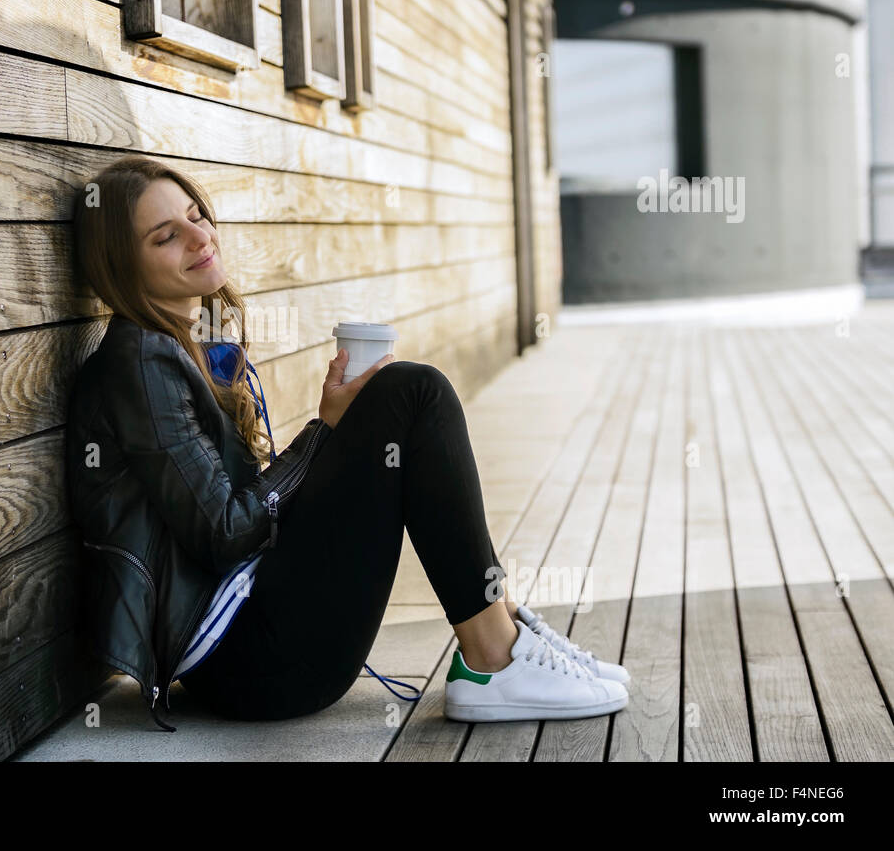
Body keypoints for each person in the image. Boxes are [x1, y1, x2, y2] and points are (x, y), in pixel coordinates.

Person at [65, 156, 630, 731]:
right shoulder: (139, 364)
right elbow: (225, 532)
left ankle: (502, 632)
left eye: (196, 215)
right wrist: (324, 431)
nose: (199, 236)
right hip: (255, 662)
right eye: (166, 237)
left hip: (263, 629)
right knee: (412, 393)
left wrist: (332, 435)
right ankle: (494, 658)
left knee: (405, 397)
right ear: (123, 267)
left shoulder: (181, 341)